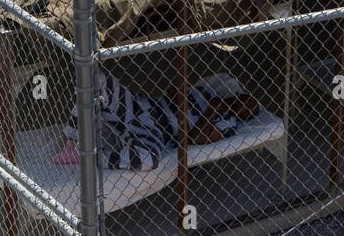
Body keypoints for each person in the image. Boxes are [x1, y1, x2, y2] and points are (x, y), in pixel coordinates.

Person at [53, 69, 262, 170]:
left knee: (148, 159)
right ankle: (72, 140)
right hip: (141, 108)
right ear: (237, 94)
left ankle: (91, 158)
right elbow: (172, 90)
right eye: (247, 100)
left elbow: (196, 138)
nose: (245, 106)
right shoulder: (205, 92)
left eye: (249, 110)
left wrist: (212, 111)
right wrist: (183, 101)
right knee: (97, 79)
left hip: (157, 132)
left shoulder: (228, 123)